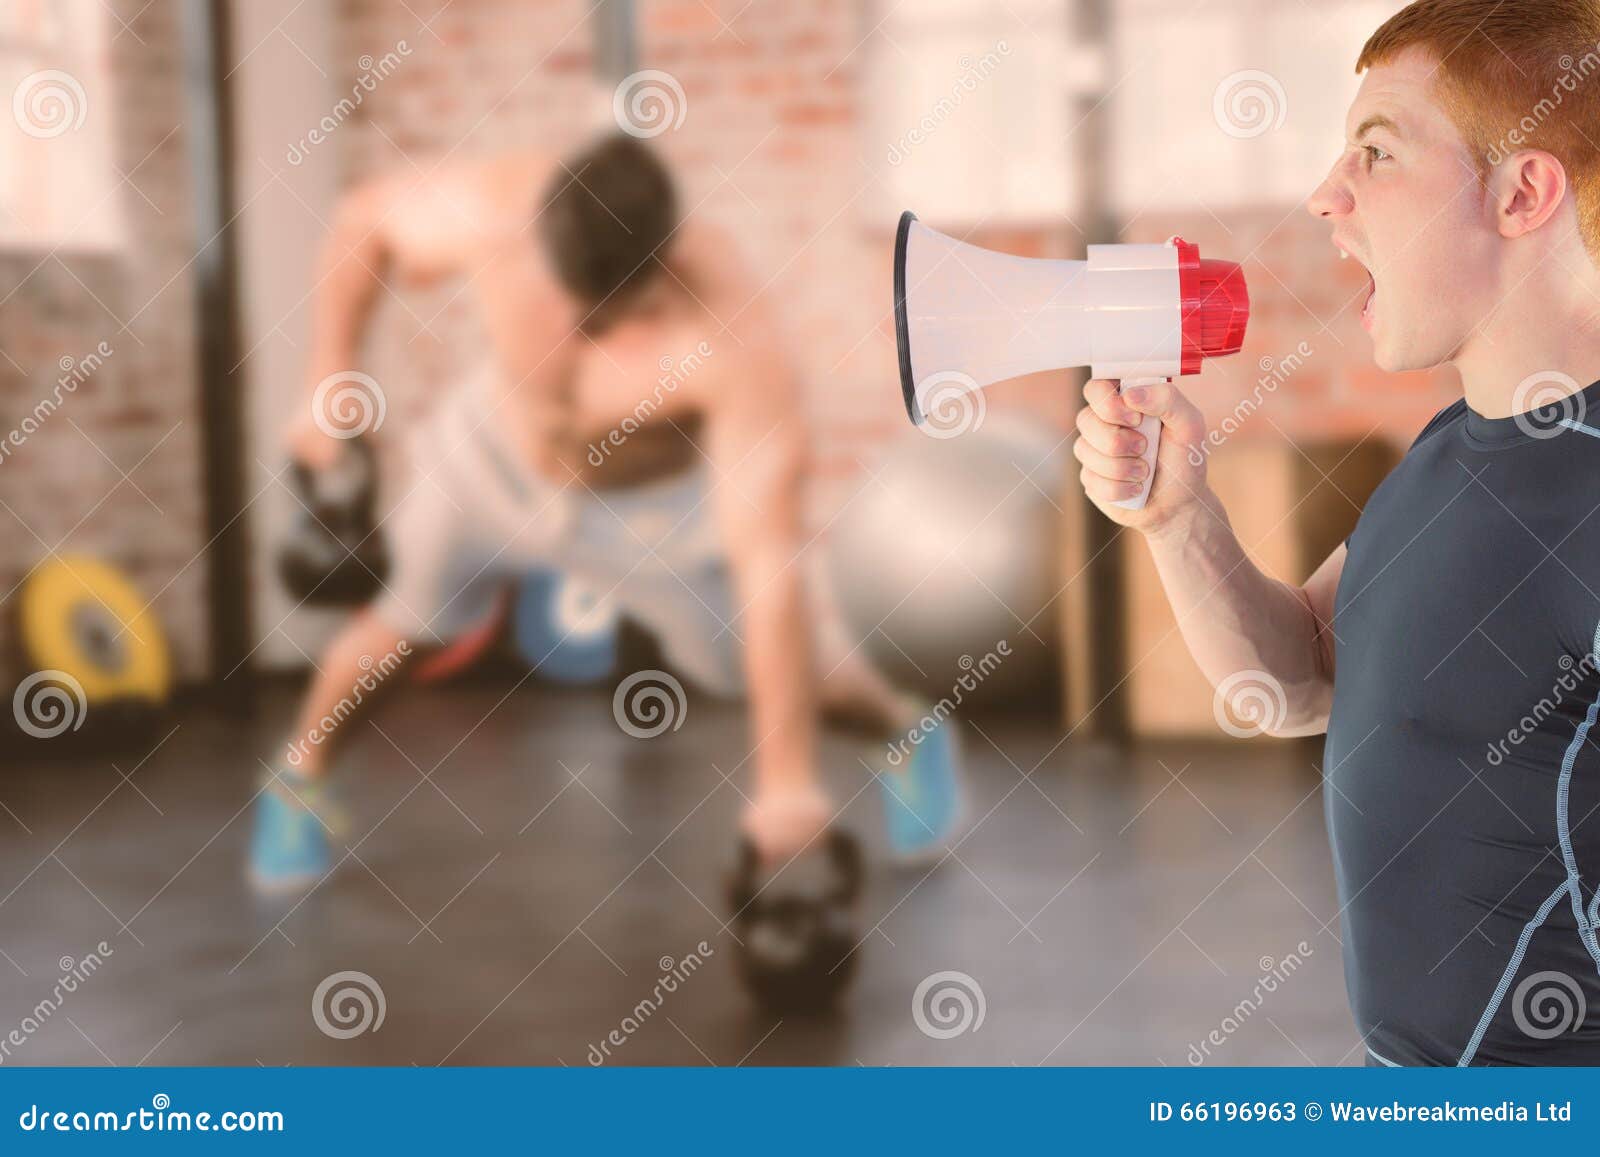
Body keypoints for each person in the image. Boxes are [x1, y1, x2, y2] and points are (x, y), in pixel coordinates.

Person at [1075, 0, 1600, 1066]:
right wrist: (1180, 519)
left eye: (1377, 151)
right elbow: (1301, 678)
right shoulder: (1452, 449)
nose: (1326, 194)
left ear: (1520, 192)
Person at [252, 136, 963, 893]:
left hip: (648, 514)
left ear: (660, 271)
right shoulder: (499, 209)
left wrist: (786, 783)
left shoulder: (734, 342)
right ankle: (299, 781)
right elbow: (362, 221)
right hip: (489, 456)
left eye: (604, 317)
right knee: (394, 630)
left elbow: (768, 569)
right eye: (563, 297)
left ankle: (902, 728)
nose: (571, 328)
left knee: (775, 670)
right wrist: (327, 385)